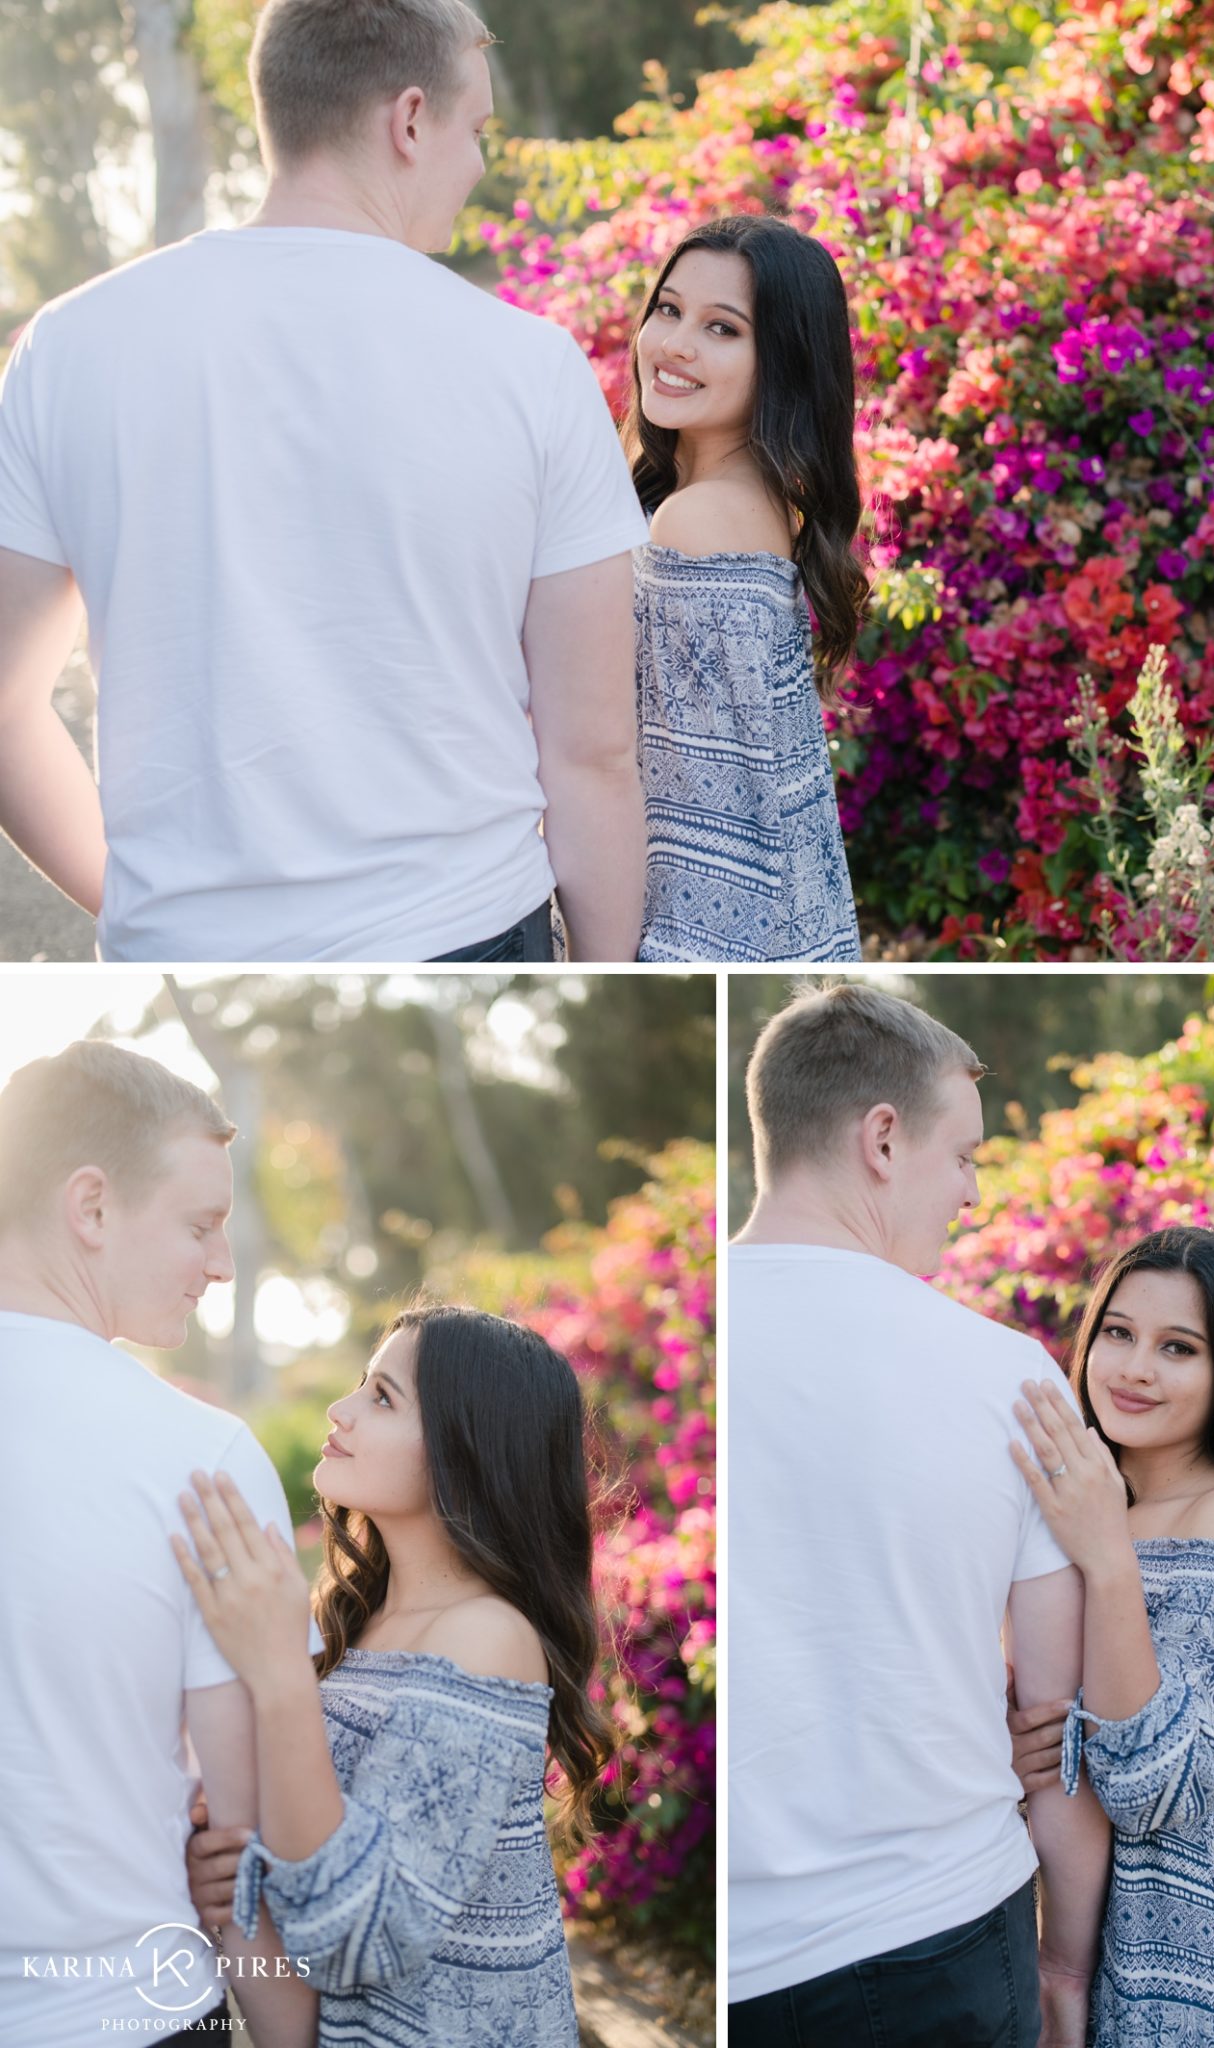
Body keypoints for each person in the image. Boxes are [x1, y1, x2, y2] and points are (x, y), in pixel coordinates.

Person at [0, 0, 648, 966]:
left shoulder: (67, 346)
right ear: (411, 119)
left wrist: (151, 907)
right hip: (466, 930)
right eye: (476, 131)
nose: (478, 165)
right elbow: (592, 755)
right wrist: (605, 977)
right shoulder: (530, 366)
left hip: (184, 941)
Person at [729, 981, 1112, 2047]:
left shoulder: (688, 1337)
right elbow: (1053, 1724)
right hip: (943, 1934)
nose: (972, 1193)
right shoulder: (1011, 1379)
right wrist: (1064, 1966)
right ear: (883, 1139)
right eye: (966, 1156)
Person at [0, 1041, 320, 2047]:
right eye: (200, 1225)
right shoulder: (202, 1462)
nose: (221, 1263)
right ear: (91, 1207)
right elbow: (244, 1843)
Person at [179, 1303, 609, 2047]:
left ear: (467, 1446)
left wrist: (278, 1675)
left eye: (382, 1398)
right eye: (362, 1384)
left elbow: (363, 1939)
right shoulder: (352, 1626)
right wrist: (231, 1886)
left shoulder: (488, 1637)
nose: (340, 1410)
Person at [1006, 1227, 1214, 2047]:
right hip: (1107, 1967)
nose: (1135, 1368)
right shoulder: (1088, 1505)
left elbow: (1159, 1793)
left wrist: (1106, 1556)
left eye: (1178, 1347)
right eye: (1117, 1333)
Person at [623, 215, 868, 962]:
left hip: (714, 939)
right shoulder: (751, 504)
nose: (675, 344)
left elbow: (686, 797)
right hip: (783, 925)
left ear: (783, 363)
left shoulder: (698, 521)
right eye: (669, 310)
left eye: (722, 328)